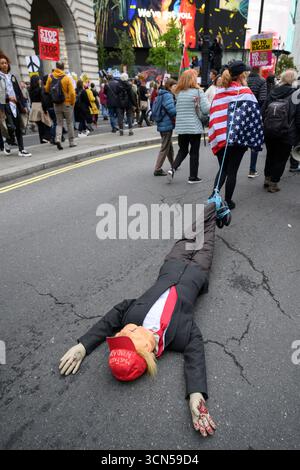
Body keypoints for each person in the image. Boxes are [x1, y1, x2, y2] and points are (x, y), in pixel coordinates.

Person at [59, 202, 222, 438]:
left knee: (200, 219)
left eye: (122, 336)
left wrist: (83, 345)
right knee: (208, 234)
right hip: (198, 269)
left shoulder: (132, 318)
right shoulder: (180, 337)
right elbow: (195, 355)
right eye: (130, 338)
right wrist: (196, 394)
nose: (126, 331)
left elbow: (111, 318)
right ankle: (219, 211)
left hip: (175, 261)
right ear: (149, 351)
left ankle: (214, 205)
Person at [209, 61, 264, 209]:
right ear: (241, 76)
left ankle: (213, 196)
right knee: (232, 171)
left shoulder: (219, 92)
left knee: (223, 169)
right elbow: (254, 116)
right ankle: (228, 201)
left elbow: (213, 115)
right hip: (238, 138)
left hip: (221, 137)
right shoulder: (245, 92)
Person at [167, 69, 210, 184]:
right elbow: (206, 109)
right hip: (194, 127)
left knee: (183, 150)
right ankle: (193, 177)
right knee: (194, 152)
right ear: (193, 79)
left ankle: (173, 168)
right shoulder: (198, 92)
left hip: (181, 127)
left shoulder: (179, 93)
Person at [263, 69, 300, 192]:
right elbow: (298, 117)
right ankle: (274, 183)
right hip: (287, 132)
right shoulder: (295, 95)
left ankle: (267, 179)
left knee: (271, 155)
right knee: (281, 158)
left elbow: (263, 111)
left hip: (270, 130)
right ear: (293, 80)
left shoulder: (273, 92)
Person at [0, 53, 32, 157]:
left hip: (15, 105)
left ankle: (21, 150)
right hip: (5, 106)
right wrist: (8, 98)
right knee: (11, 127)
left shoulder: (12, 77)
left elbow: (18, 92)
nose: (5, 65)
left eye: (6, 63)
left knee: (18, 127)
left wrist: (24, 106)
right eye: (2, 63)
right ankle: (8, 142)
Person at [45, 61, 76, 150]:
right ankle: (71, 142)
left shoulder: (50, 77)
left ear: (56, 67)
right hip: (66, 103)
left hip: (56, 103)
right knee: (69, 123)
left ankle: (58, 138)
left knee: (59, 123)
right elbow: (72, 93)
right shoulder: (66, 78)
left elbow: (46, 90)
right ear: (63, 68)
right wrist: (72, 102)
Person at [153, 78, 177, 176]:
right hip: (166, 124)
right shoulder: (168, 96)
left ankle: (174, 164)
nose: (176, 88)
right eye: (175, 86)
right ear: (169, 87)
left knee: (168, 145)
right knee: (165, 147)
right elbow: (172, 111)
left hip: (162, 123)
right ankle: (157, 169)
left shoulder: (161, 94)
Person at [246, 67, 267, 178]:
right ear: (259, 70)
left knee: (241, 142)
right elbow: (263, 99)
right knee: (254, 142)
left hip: (244, 113)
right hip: (255, 114)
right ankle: (252, 170)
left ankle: (231, 169)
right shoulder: (262, 81)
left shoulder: (245, 80)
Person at [28, 76, 52, 144]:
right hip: (40, 106)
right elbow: (43, 99)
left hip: (34, 107)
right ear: (37, 81)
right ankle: (46, 137)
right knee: (47, 123)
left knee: (40, 126)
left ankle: (42, 140)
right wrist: (45, 109)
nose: (40, 81)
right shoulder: (40, 89)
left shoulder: (30, 90)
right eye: (39, 79)